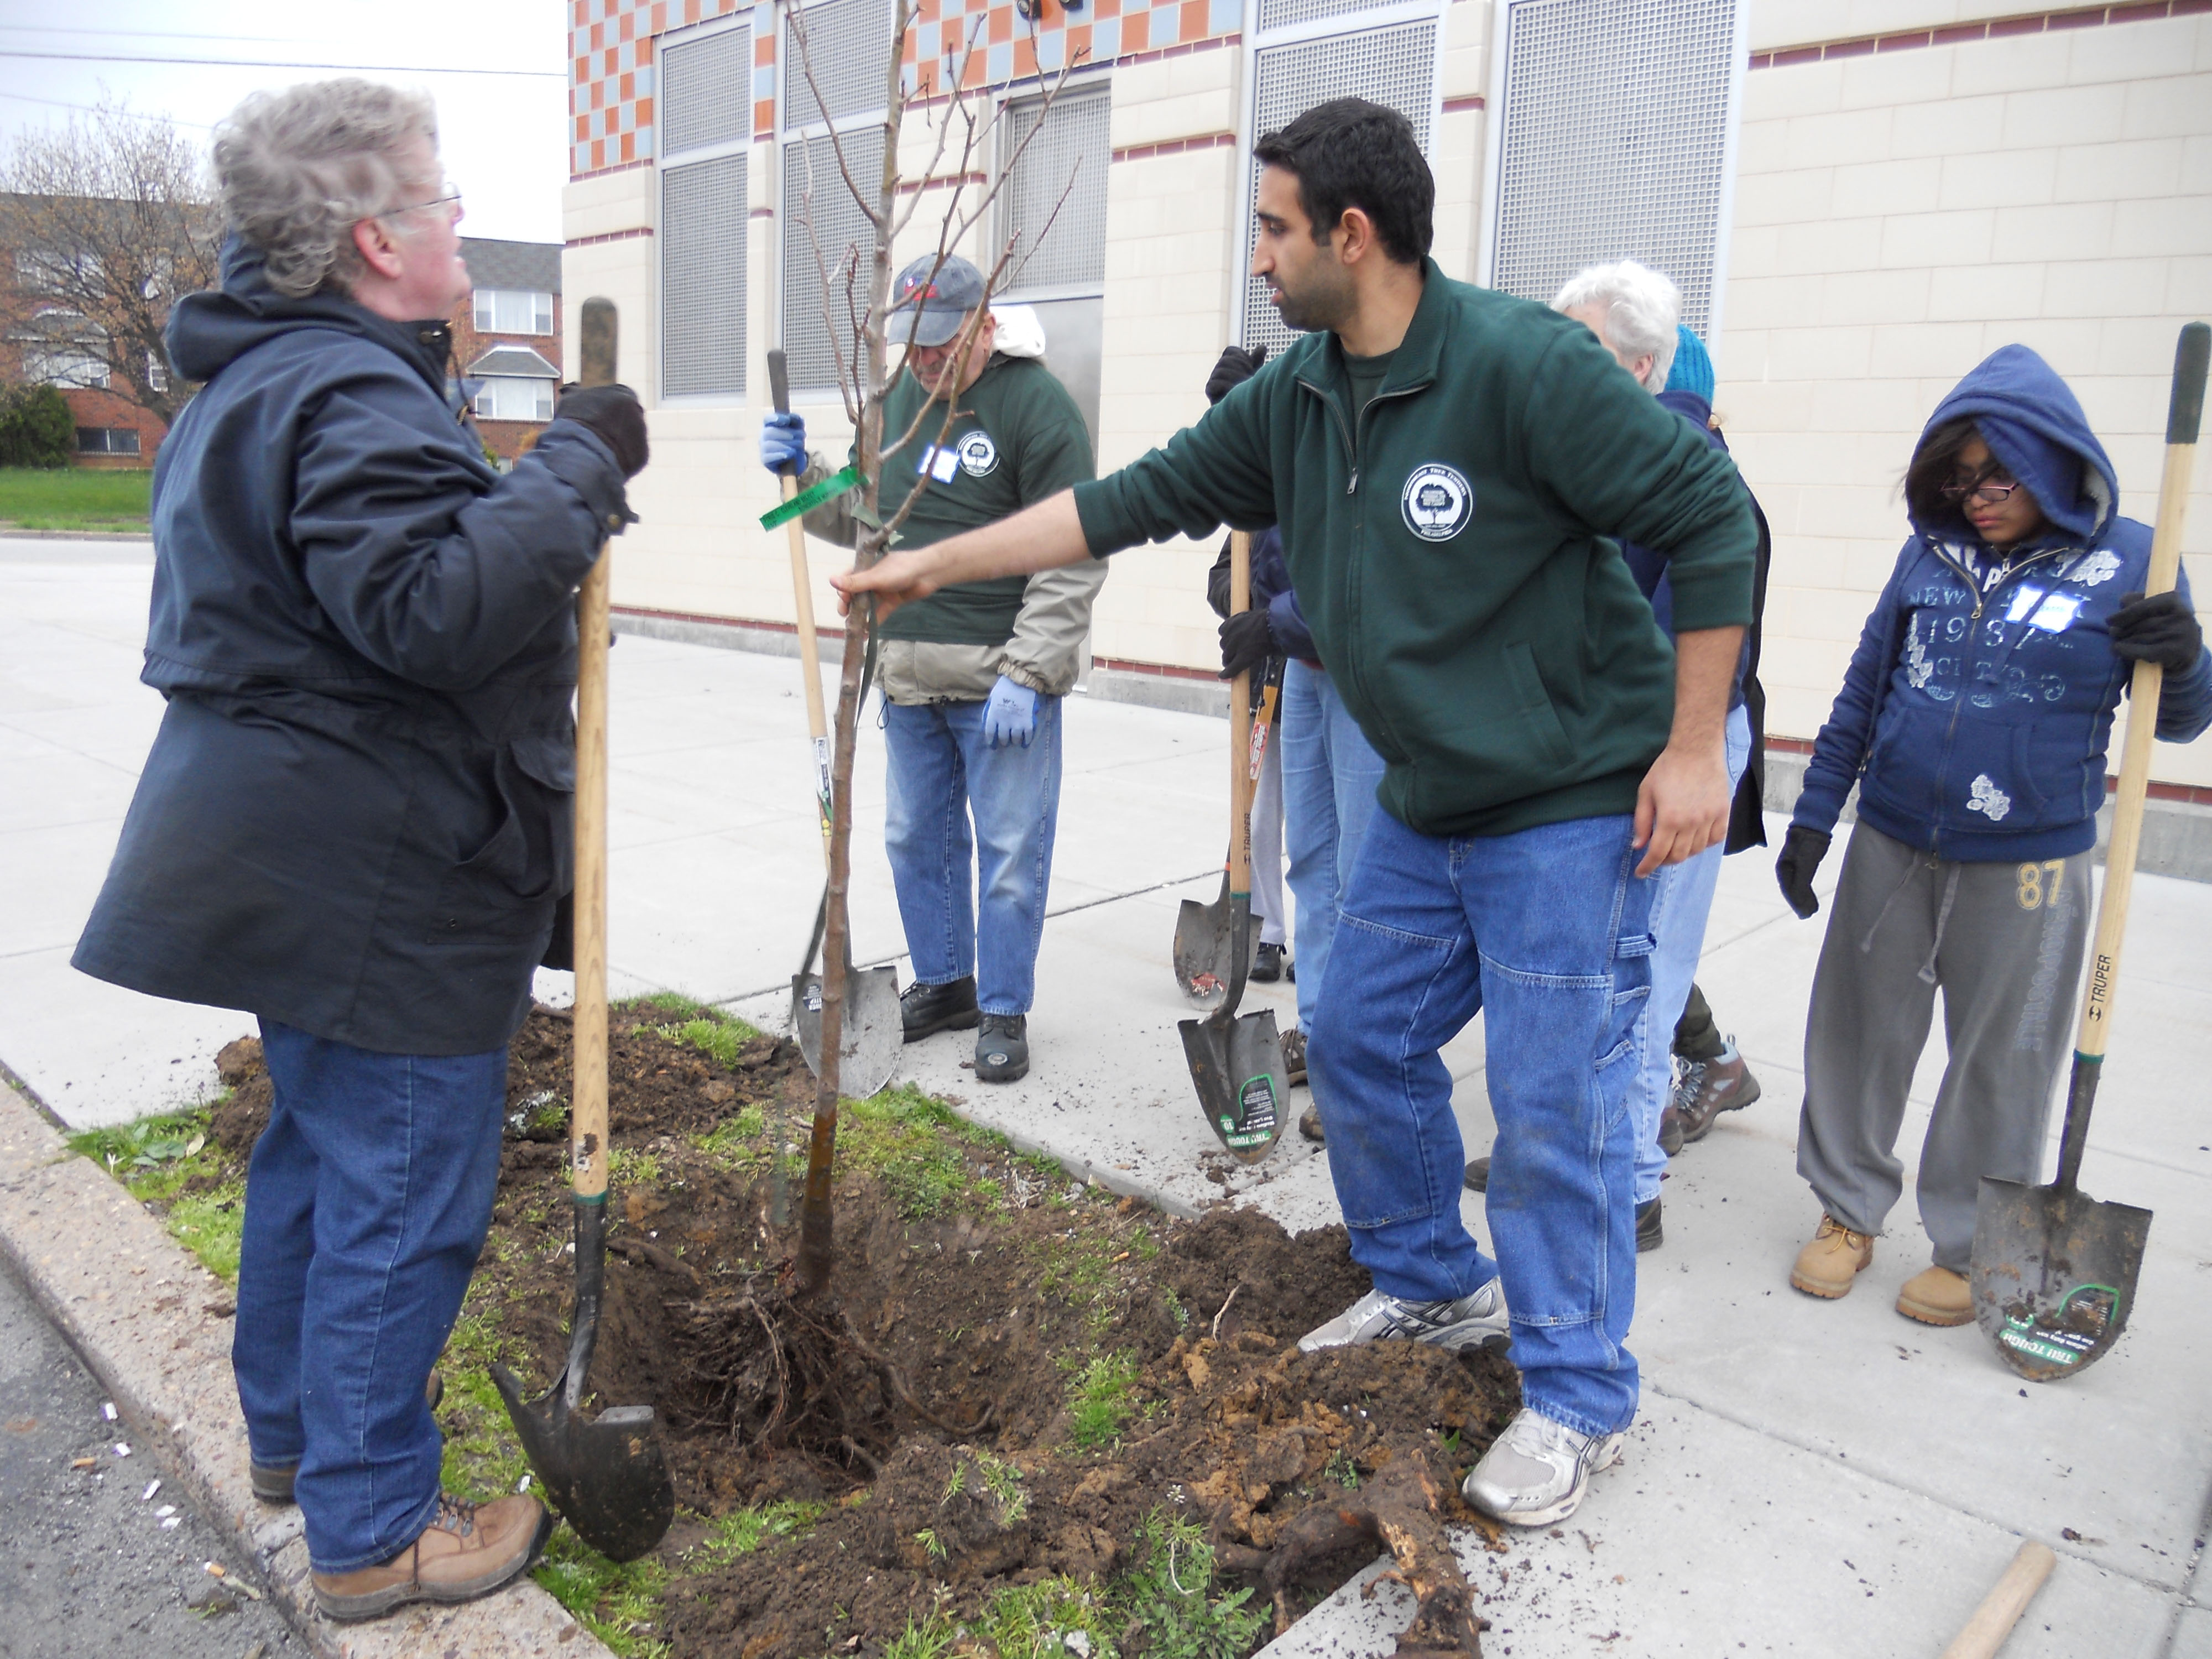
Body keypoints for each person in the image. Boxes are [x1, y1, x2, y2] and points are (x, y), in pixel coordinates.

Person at [832, 98, 1757, 1526]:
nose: (1257, 258)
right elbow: (1125, 501)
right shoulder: (1299, 393)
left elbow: (1715, 522)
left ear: (1353, 232)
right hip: (1425, 793)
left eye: (1272, 228)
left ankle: (1574, 1389)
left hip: (1565, 802)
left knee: (1551, 1101)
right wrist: (932, 560)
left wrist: (1696, 752)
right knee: (1361, 1033)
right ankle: (1428, 1283)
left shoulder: (1523, 367)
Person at [70, 81, 649, 1619]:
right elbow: (432, 612)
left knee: (320, 1172)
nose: (465, 221)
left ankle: (300, 1444)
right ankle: (378, 1530)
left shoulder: (272, 380)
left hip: (305, 857)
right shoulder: (341, 394)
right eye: (449, 199)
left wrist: (540, 491)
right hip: (374, 878)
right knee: (401, 1195)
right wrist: (577, 473)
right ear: (377, 236)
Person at [1779, 344, 2211, 1326]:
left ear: (2054, 461)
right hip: (1893, 838)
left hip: (2031, 866)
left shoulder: (2135, 558)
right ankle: (1848, 1210)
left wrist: (2184, 661)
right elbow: (1864, 687)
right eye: (1958, 478)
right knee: (1857, 1033)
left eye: (1998, 476)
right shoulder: (1927, 556)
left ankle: (1972, 1243)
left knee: (2001, 1056)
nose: (1974, 497)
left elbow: (2177, 721)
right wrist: (1816, 817)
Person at [1470, 276, 1774, 1254]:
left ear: (1641, 368)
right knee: (1580, 965)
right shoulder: (1581, 463)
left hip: (1670, 749)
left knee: (1638, 967)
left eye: (1583, 346)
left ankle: (1628, 1185)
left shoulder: (1689, 475)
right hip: (1591, 748)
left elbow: (1692, 659)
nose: (1551, 365)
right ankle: (1557, 1152)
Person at [760, 255, 1102, 1084]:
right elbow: (860, 515)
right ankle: (946, 983)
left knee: (1012, 850)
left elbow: (1073, 549)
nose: (924, 362)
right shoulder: (894, 407)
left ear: (984, 325)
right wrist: (801, 480)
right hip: (908, 674)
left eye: (940, 346)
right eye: (912, 347)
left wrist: (1031, 669)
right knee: (918, 839)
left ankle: (1004, 1009)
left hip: (1001, 682)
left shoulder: (1038, 408)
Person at [1202, 343, 1392, 1134]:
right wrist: (1241, 439)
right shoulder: (1278, 462)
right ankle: (1320, 1031)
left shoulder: (1362, 433)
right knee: (1313, 859)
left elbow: (1368, 574)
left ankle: (1366, 1061)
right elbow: (1254, 559)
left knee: (1362, 869)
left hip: (1363, 672)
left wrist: (1273, 620)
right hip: (1307, 670)